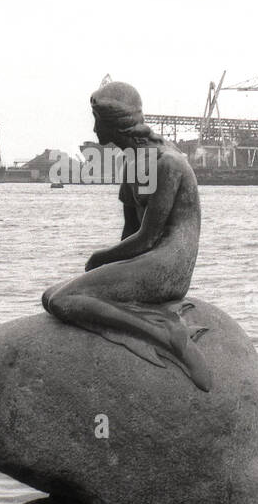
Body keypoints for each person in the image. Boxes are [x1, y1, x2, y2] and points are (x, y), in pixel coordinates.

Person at [41, 80, 212, 391]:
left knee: (66, 299)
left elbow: (148, 237)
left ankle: (164, 334)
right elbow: (130, 233)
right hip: (149, 260)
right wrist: (108, 267)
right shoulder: (133, 164)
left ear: (115, 125)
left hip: (169, 268)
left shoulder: (166, 163)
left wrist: (100, 258)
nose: (94, 129)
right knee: (51, 295)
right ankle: (147, 319)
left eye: (98, 121)